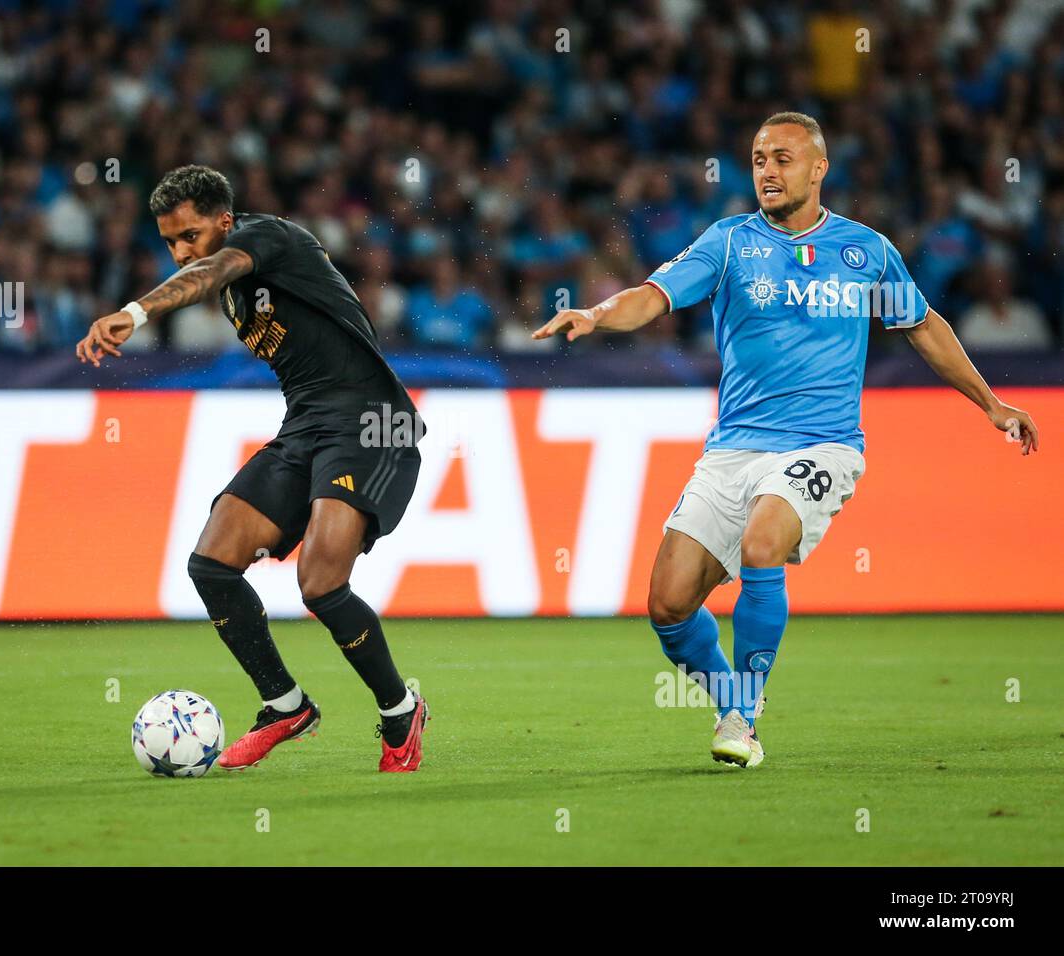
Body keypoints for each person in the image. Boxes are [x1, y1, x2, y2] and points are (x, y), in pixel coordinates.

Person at [534, 112, 1039, 768]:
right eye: (758, 159)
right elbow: (654, 296)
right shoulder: (729, 242)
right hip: (733, 449)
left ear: (819, 168)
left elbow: (923, 327)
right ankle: (728, 700)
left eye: (782, 159)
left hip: (822, 445)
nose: (768, 171)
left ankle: (745, 713)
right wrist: (598, 313)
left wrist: (990, 404)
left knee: (763, 539)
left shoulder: (866, 251)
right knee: (668, 604)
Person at [76, 165, 429, 772]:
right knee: (211, 563)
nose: (182, 252)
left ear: (224, 221)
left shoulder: (271, 240)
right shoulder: (236, 291)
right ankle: (285, 706)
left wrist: (133, 315)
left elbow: (209, 270)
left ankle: (400, 711)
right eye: (169, 243)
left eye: (189, 236)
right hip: (306, 426)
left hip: (370, 421)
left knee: (319, 584)